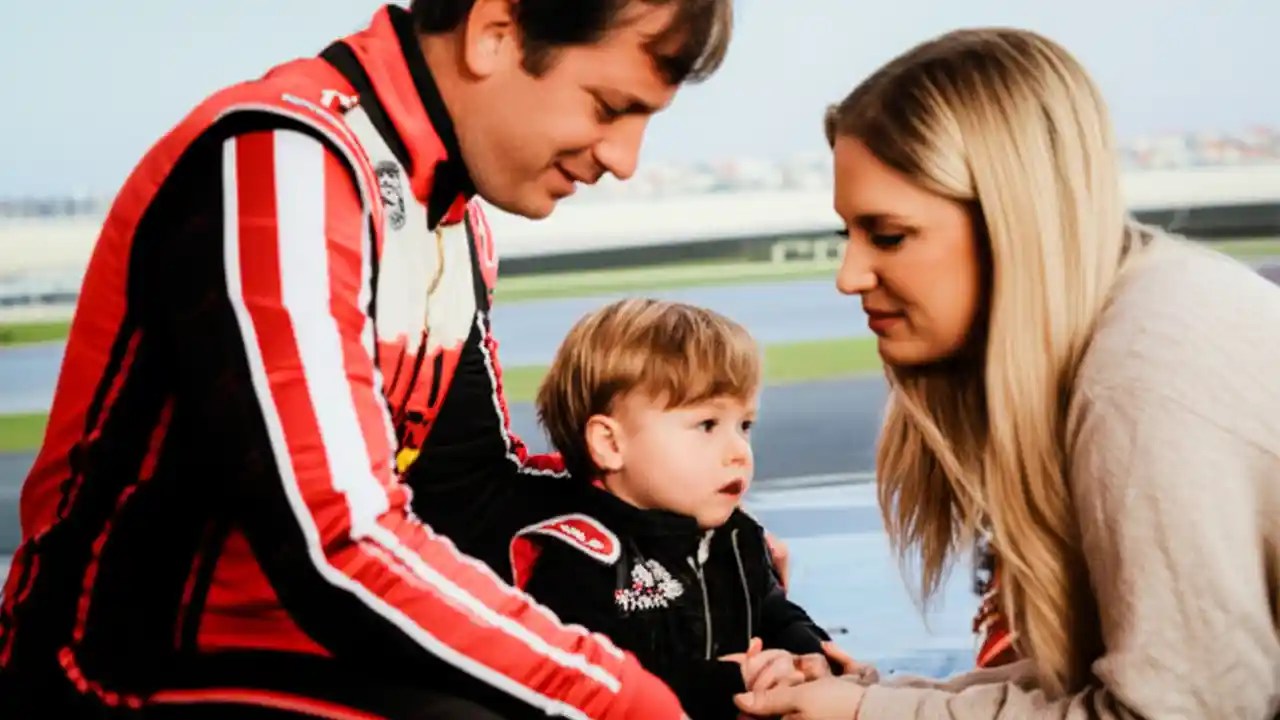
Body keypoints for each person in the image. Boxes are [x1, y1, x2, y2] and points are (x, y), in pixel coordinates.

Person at [0, 1, 737, 717]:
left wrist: (670, 538)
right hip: (106, 675)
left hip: (316, 658)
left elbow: (469, 492)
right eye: (610, 107)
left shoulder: (453, 215)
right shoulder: (285, 155)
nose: (625, 160)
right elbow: (341, 545)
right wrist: (623, 699)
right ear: (494, 32)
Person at [733, 27, 1280, 720]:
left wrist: (867, 714)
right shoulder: (1137, 316)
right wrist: (869, 699)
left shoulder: (1143, 378)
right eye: (851, 236)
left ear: (1009, 221)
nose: (850, 277)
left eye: (890, 235)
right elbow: (1094, 681)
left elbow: (1177, 712)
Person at [409, 297, 861, 720]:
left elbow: (773, 609)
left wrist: (810, 654)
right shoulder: (581, 553)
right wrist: (731, 681)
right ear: (610, 443)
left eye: (744, 425)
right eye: (707, 424)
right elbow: (599, 679)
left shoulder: (737, 535)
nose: (739, 451)